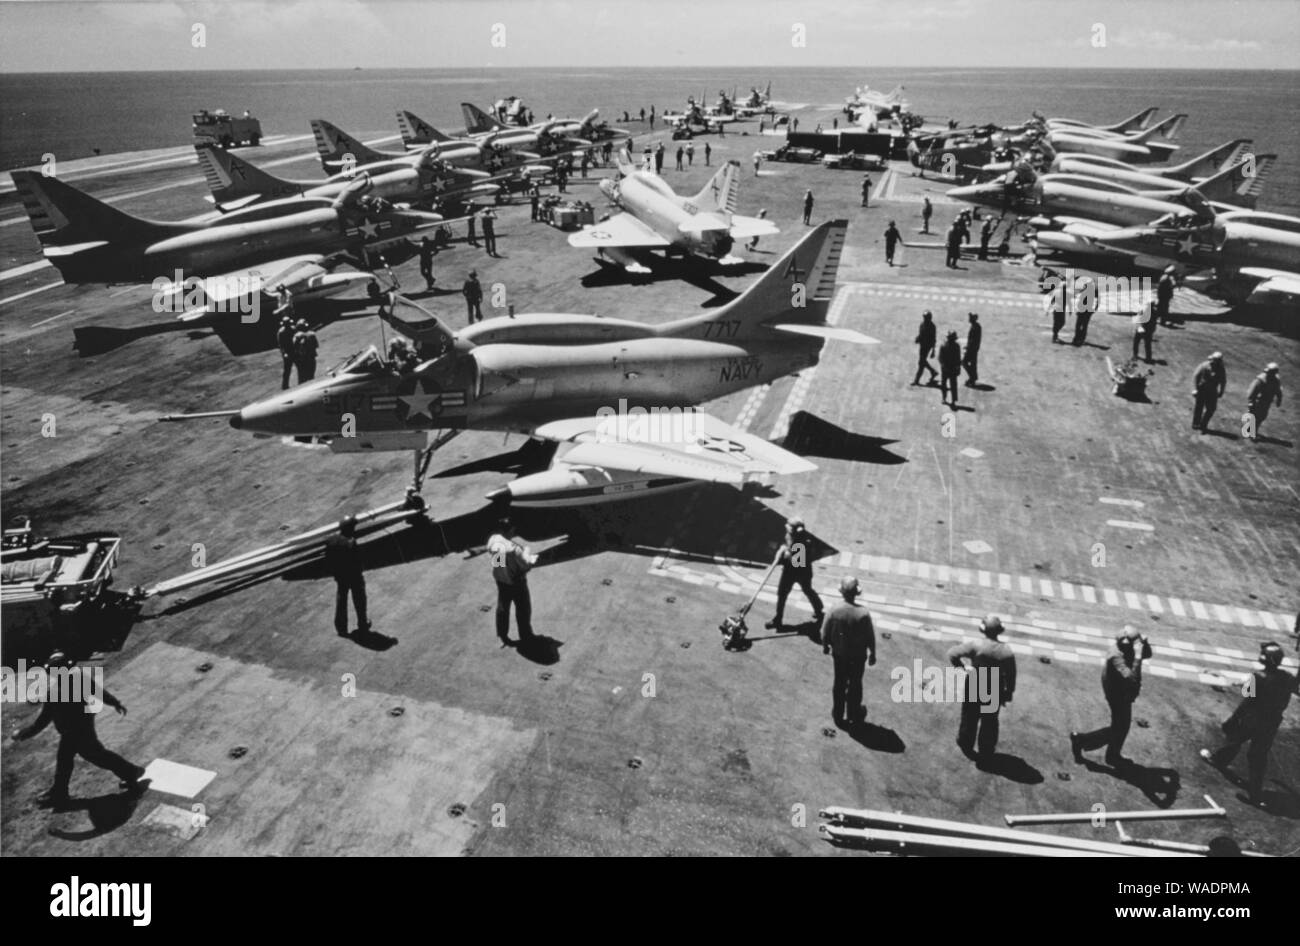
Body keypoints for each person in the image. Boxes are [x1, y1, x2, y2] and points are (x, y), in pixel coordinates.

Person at [15, 652, 147, 810]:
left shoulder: (60, 690)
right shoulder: (73, 683)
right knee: (67, 761)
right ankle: (59, 792)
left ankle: (131, 772)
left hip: (80, 732)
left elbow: (43, 721)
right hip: (74, 731)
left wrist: (25, 733)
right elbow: (99, 692)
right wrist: (115, 703)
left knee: (97, 757)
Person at [1200, 642, 1296, 808]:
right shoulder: (1287, 677)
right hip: (1272, 721)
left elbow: (1247, 700)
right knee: (1258, 756)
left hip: (1252, 718)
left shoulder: (1257, 677)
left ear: (1266, 659)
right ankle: (1255, 795)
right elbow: (1288, 696)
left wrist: (1233, 718)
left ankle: (1218, 760)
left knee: (1234, 740)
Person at [1071, 626, 1152, 767]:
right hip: (1117, 695)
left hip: (1122, 690)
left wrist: (1145, 645)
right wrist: (1138, 655)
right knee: (1120, 727)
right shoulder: (1116, 657)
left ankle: (1110, 754)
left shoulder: (1126, 648)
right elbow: (1132, 678)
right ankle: (1084, 741)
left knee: (1121, 726)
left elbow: (1148, 654)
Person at [947, 615, 1017, 762]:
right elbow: (1011, 675)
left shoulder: (975, 645)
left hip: (975, 683)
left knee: (969, 716)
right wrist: (1008, 693)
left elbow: (952, 654)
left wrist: (963, 667)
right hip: (994, 687)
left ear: (983, 630)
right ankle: (986, 749)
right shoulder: (1006, 651)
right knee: (990, 720)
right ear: (999, 631)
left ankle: (965, 742)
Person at [822, 577, 877, 727]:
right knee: (855, 684)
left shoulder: (834, 610)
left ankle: (838, 714)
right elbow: (870, 636)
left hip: (839, 655)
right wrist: (872, 653)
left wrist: (826, 646)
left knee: (839, 683)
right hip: (858, 657)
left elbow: (825, 631)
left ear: (841, 592)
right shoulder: (863, 613)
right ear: (856, 593)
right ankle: (854, 712)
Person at [764, 517, 824, 632]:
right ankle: (778, 619)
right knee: (782, 594)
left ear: (795, 529)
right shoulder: (789, 535)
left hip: (800, 573)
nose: (786, 527)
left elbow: (796, 563)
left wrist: (785, 556)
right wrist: (784, 550)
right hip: (792, 571)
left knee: (806, 590)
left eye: (789, 526)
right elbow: (786, 544)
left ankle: (819, 610)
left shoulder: (802, 542)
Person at [487, 518, 537, 646]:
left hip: (501, 579)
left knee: (503, 607)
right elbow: (526, 565)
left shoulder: (493, 540)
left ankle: (502, 634)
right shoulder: (514, 549)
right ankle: (526, 635)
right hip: (516, 581)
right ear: (510, 530)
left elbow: (498, 562)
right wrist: (527, 552)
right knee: (523, 608)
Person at [325, 516, 369, 637]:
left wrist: (336, 573)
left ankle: (341, 628)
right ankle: (362, 624)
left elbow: (328, 560)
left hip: (341, 576)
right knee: (360, 600)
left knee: (341, 600)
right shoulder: (351, 542)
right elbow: (357, 561)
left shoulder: (331, 540)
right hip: (354, 576)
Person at [1245, 363, 1282, 440]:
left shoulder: (1276, 380)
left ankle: (1250, 431)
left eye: (1270, 372)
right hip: (1257, 401)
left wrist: (1279, 400)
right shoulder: (1261, 379)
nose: (1268, 373)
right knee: (1254, 416)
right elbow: (1252, 391)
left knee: (1261, 417)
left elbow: (1278, 391)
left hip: (1266, 403)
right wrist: (1251, 401)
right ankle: (1251, 433)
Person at [1192, 352, 1227, 433]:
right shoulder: (1204, 365)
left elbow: (1223, 381)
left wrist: (1221, 391)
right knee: (1199, 407)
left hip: (1212, 391)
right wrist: (1195, 389)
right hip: (1202, 389)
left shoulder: (1221, 369)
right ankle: (1196, 423)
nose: (1214, 362)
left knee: (1211, 409)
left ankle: (1203, 425)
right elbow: (1196, 376)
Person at [913, 310, 938, 386]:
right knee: (922, 362)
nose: (925, 319)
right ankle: (933, 372)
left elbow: (933, 339)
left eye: (926, 318)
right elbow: (921, 334)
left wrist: (933, 350)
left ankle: (916, 380)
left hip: (927, 346)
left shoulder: (932, 327)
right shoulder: (922, 324)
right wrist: (917, 338)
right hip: (922, 345)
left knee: (921, 363)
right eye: (924, 317)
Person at [938, 329, 962, 406]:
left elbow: (958, 358)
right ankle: (948, 399)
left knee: (948, 384)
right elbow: (940, 358)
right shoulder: (953, 346)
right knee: (948, 384)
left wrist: (958, 367)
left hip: (949, 368)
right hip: (948, 368)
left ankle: (949, 399)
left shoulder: (946, 346)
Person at [1071, 277, 1095, 346]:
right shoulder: (1090, 292)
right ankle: (1080, 339)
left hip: (1084, 312)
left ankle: (1078, 339)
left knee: (1080, 326)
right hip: (1087, 312)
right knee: (1083, 326)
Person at [277, 315, 296, 390]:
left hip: (294, 350)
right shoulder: (281, 332)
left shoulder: (293, 329)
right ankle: (285, 385)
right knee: (287, 369)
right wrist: (284, 353)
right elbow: (281, 345)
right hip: (288, 352)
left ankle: (303, 381)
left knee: (300, 366)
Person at [963, 312, 982, 386]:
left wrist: (968, 347)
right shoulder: (976, 326)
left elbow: (973, 340)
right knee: (973, 364)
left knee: (964, 362)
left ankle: (972, 377)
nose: (969, 319)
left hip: (972, 349)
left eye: (970, 318)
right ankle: (972, 378)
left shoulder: (975, 327)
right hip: (974, 348)